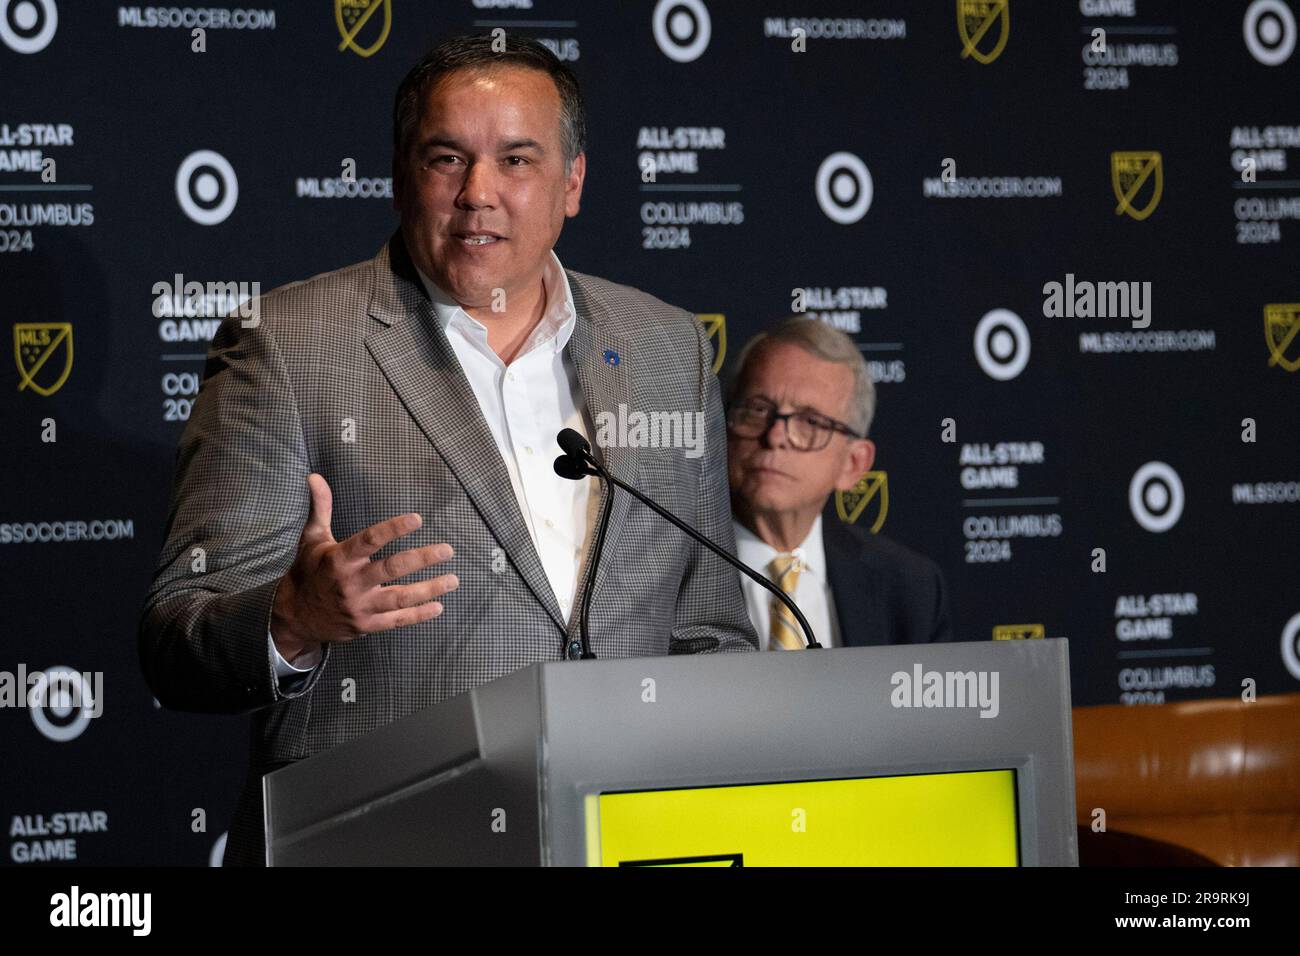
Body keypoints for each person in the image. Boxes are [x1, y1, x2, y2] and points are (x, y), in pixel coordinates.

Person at [138, 33, 755, 867]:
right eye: (447, 159)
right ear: (400, 177)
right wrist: (294, 618)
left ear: (573, 182)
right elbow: (177, 638)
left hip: (620, 839)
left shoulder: (664, 348)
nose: (479, 195)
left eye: (517, 159)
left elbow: (710, 632)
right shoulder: (286, 344)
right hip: (382, 843)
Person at [726, 317, 954, 650]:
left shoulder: (910, 589)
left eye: (810, 422)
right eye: (758, 409)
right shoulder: (660, 574)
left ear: (853, 464)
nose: (775, 436)